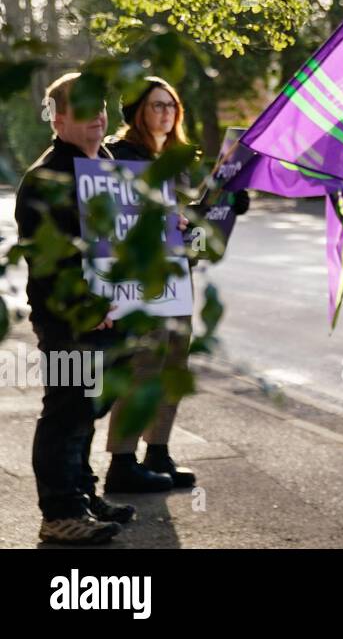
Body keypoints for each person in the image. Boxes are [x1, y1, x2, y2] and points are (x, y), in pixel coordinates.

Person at [14, 72, 135, 544]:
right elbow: (48, 259)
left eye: (101, 107)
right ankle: (59, 513)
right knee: (65, 410)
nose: (99, 117)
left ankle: (82, 495)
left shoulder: (104, 161)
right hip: (68, 317)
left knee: (88, 407)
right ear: (59, 118)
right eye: (85, 109)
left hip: (113, 311)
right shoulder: (47, 177)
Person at [102, 76, 206, 493]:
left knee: (174, 362)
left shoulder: (176, 161)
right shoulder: (120, 155)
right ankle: (122, 463)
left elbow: (190, 230)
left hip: (176, 275)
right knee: (143, 365)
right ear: (136, 113)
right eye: (156, 106)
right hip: (138, 281)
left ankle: (157, 451)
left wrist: (216, 212)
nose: (165, 113)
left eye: (171, 106)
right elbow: (111, 221)